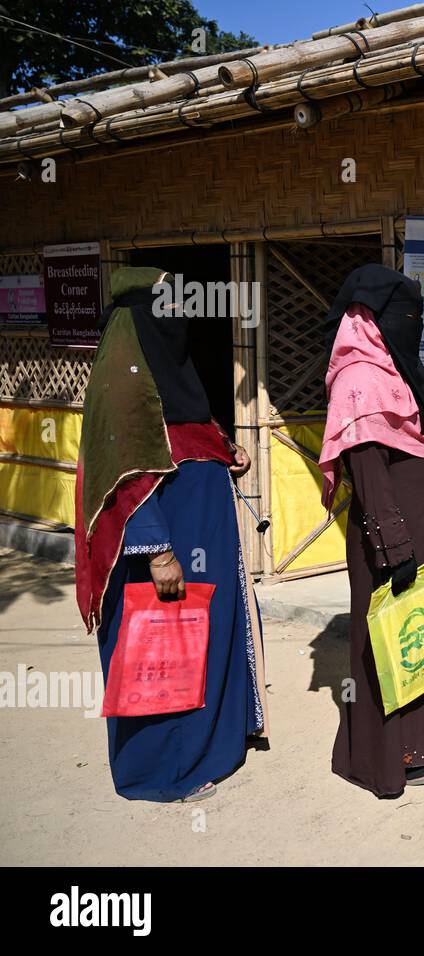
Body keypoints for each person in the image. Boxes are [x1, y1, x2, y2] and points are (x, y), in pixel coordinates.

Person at [75, 266, 267, 803]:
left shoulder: (170, 380)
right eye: (169, 312)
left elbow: (189, 434)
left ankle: (215, 743)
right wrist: (156, 551)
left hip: (202, 543)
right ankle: (170, 768)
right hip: (169, 554)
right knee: (166, 652)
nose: (179, 322)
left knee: (205, 646)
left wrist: (226, 452)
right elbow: (125, 475)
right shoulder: (123, 387)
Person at [319, 264, 424, 797]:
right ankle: (397, 755)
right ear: (373, 318)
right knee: (397, 639)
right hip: (392, 536)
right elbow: (367, 471)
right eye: (406, 316)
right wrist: (394, 545)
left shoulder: (395, 368)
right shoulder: (360, 378)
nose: (413, 325)